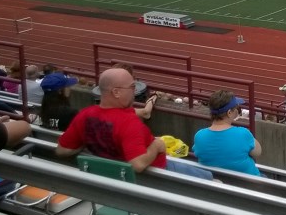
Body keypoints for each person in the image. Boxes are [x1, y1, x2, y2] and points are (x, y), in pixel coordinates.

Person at [57, 68, 211, 179]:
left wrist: (90, 140)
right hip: (154, 177)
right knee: (210, 178)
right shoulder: (129, 123)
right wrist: (157, 145)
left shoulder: (85, 115)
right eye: (132, 87)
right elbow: (137, 165)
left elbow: (61, 150)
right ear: (116, 92)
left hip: (109, 180)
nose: (134, 91)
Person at [192, 89, 261, 176]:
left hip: (215, 185)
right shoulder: (243, 133)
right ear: (229, 113)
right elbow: (258, 152)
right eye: (236, 108)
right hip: (248, 186)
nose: (237, 110)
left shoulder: (199, 136)